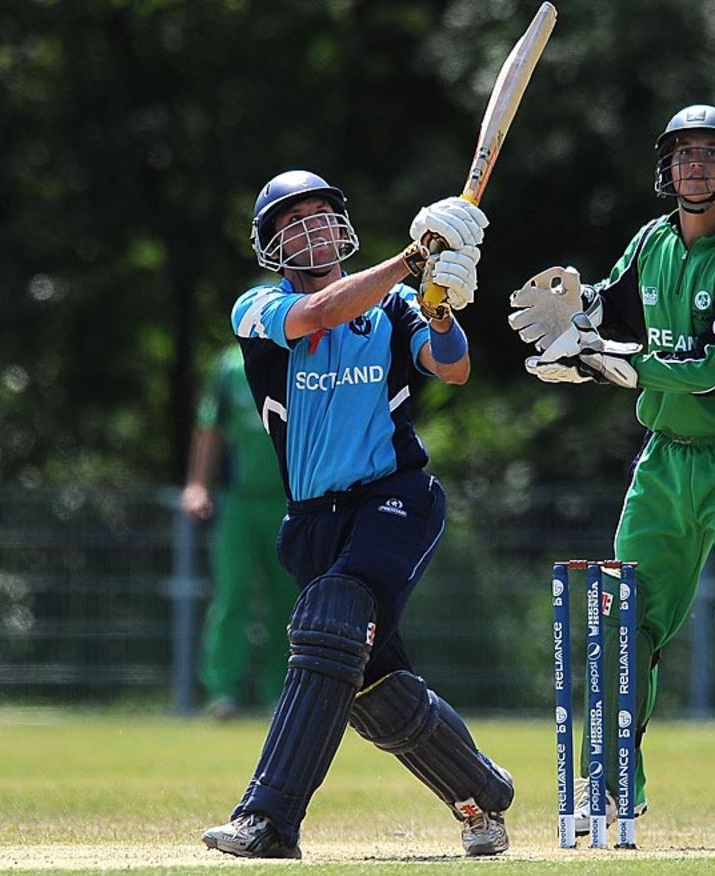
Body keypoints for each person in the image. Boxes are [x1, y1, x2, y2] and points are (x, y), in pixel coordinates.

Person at [509, 104, 715, 848]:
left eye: (711, 155)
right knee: (622, 621)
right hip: (663, 459)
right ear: (667, 166)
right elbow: (609, 306)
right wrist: (578, 319)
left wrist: (618, 363)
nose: (695, 166)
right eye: (684, 153)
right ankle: (611, 787)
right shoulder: (651, 240)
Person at [201, 171, 514, 859]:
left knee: (332, 619)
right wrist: (412, 258)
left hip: (395, 497)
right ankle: (482, 794)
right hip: (312, 518)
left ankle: (269, 820)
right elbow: (317, 317)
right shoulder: (257, 309)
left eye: (320, 213)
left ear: (342, 225)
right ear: (269, 244)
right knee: (370, 686)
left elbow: (451, 367)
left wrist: (437, 306)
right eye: (292, 220)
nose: (310, 227)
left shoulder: (397, 305)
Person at [182, 343, 296, 720]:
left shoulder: (303, 354)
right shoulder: (230, 365)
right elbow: (209, 426)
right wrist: (198, 484)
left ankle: (279, 692)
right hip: (239, 502)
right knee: (232, 593)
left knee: (288, 599)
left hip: (292, 501)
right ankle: (221, 692)